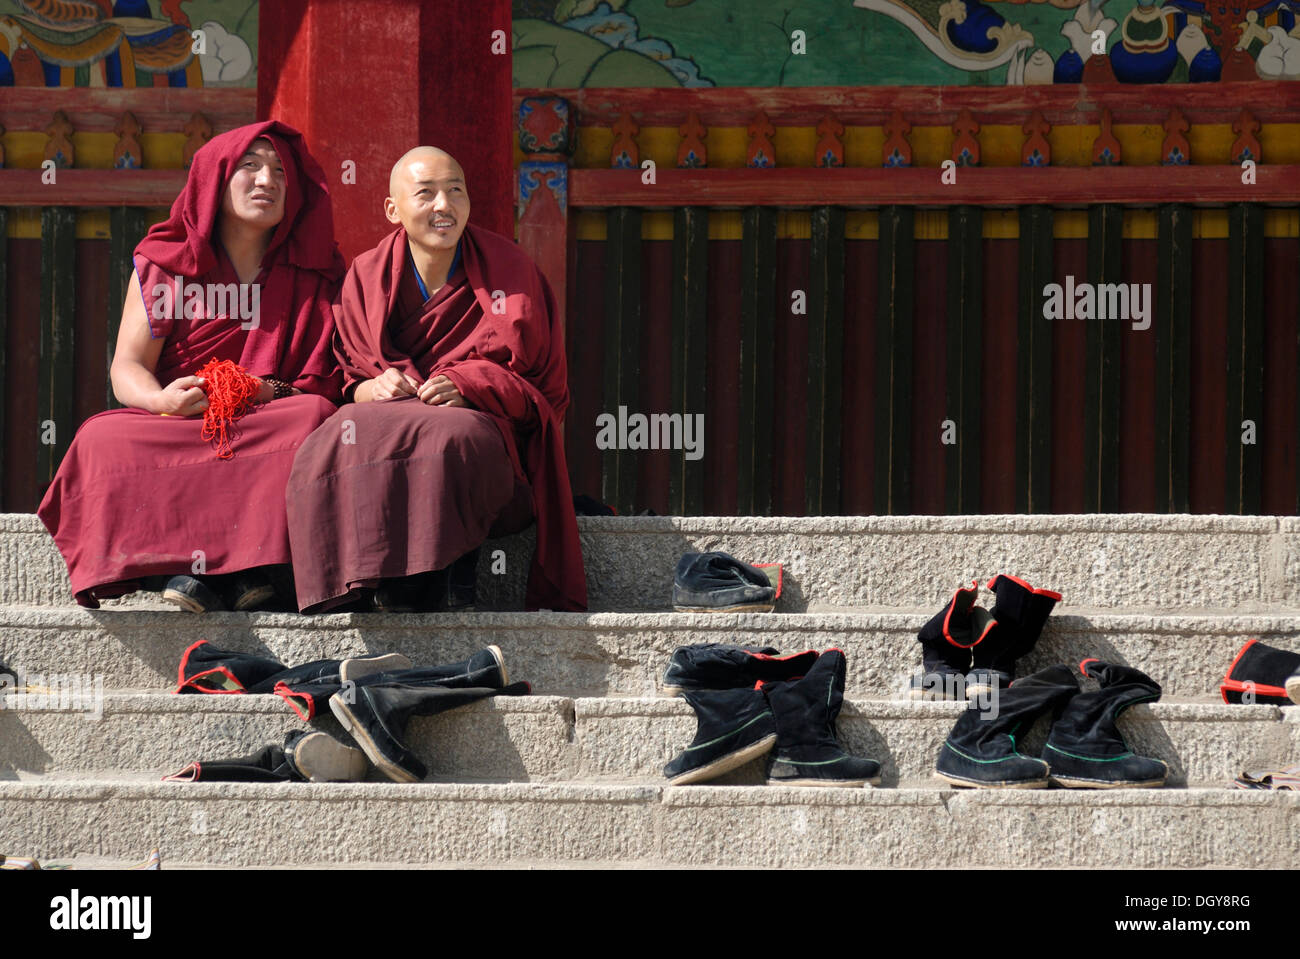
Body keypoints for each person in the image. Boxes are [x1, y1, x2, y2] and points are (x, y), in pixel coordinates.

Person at [37, 120, 346, 612]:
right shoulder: (165, 261)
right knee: (100, 439)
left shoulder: (316, 271)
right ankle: (195, 570)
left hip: (263, 418)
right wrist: (161, 399)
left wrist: (261, 391)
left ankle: (243, 569)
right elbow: (127, 367)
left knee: (312, 419)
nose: (267, 181)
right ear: (213, 180)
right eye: (250, 166)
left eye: (281, 172)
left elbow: (326, 384)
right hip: (182, 418)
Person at [286, 146, 587, 613]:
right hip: (392, 415)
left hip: (486, 433)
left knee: (455, 434)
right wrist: (373, 388)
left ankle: (448, 568)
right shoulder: (366, 275)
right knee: (333, 438)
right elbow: (348, 376)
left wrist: (471, 386)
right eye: (425, 194)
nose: (443, 206)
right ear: (393, 208)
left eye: (455, 191)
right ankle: (360, 576)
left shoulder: (512, 271)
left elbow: (544, 388)